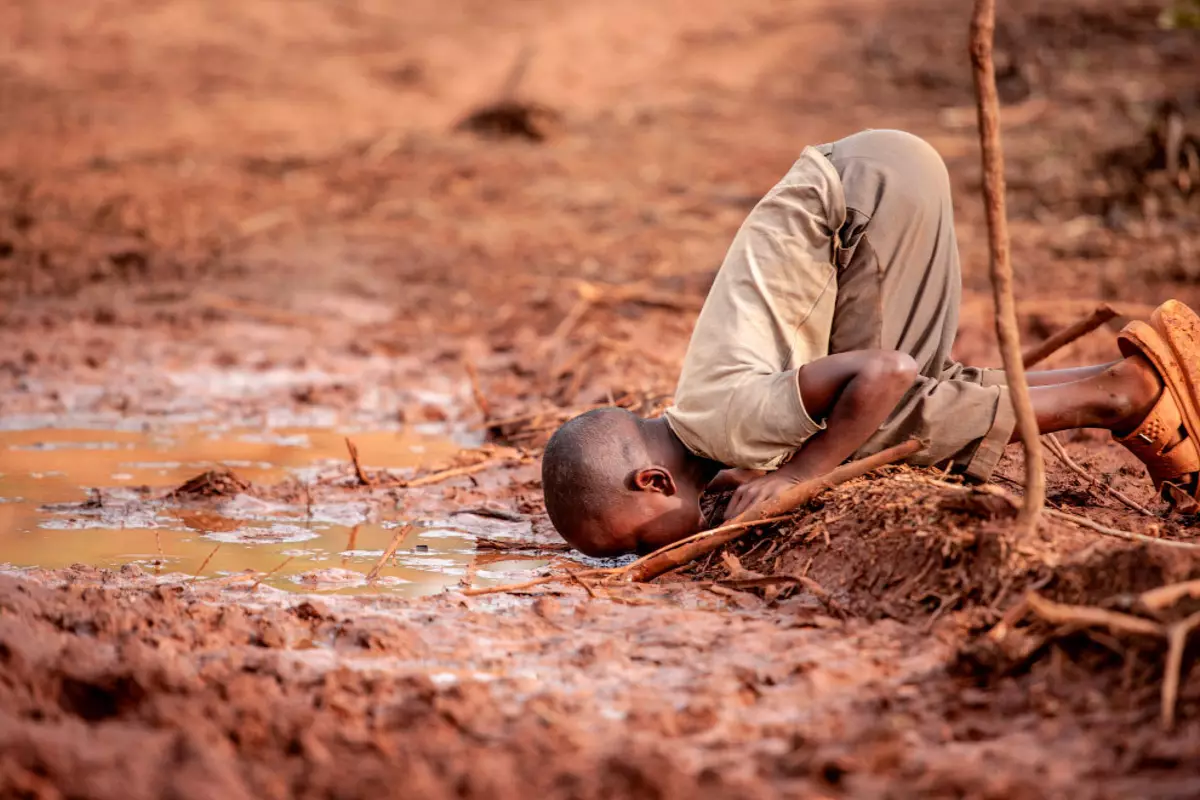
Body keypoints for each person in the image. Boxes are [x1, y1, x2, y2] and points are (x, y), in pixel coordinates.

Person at [541, 129, 1200, 558]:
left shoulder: (727, 424)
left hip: (864, 201)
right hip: (874, 175)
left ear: (653, 481)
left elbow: (885, 371)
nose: (640, 556)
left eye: (629, 545)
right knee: (898, 405)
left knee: (881, 423)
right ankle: (1140, 373)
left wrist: (801, 474)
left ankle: (1125, 397)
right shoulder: (710, 418)